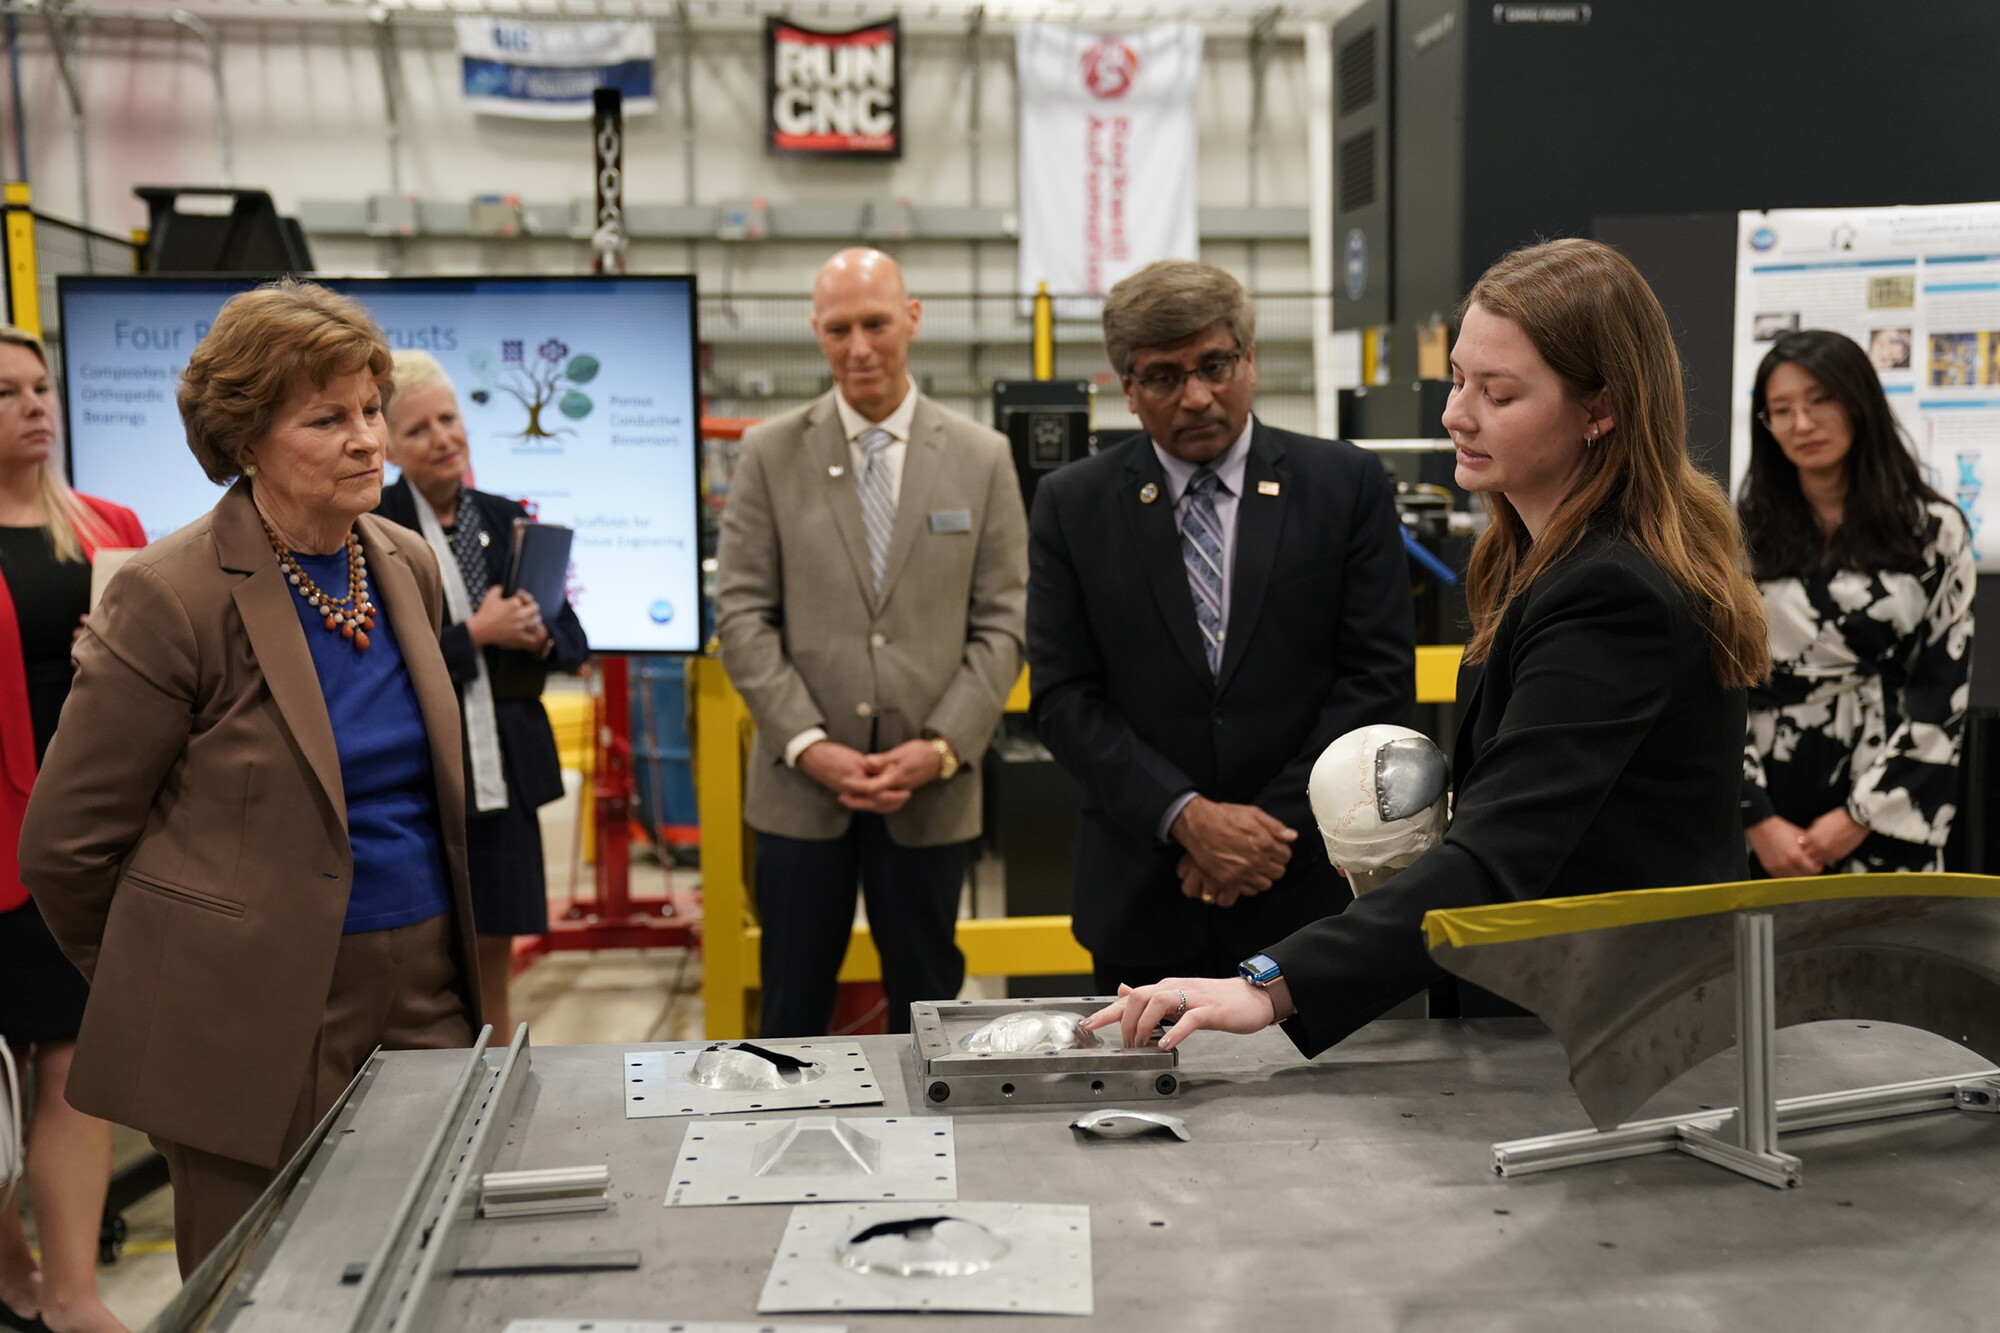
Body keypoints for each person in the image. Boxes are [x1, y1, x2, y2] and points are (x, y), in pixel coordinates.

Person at [1084, 239, 1770, 1055]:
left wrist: (1267, 984)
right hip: (1570, 1016)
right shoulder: (1538, 555)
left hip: (1607, 1034)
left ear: (1601, 408)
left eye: (1498, 392)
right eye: (1457, 378)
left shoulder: (1609, 591)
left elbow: (1502, 854)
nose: (1455, 414)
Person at [19, 280, 481, 1276]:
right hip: (256, 1018)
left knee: (430, 1267)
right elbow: (67, 846)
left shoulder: (404, 562)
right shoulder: (168, 594)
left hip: (427, 991)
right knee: (267, 1285)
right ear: (244, 439)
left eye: (368, 410)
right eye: (327, 419)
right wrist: (183, 987)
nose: (367, 439)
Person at [1027, 259, 1415, 991]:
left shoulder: (1345, 485)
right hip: (1145, 893)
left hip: (1306, 886)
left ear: (1251, 360)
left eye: (1216, 364)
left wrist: (1259, 833)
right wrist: (1185, 818)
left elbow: (1378, 681)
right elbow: (1064, 697)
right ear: (1129, 391)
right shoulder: (1071, 505)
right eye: (1166, 376)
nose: (1197, 396)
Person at [715, 247, 1028, 1037]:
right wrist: (809, 743)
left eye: (876, 323)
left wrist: (943, 745)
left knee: (929, 1004)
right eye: (839, 328)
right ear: (816, 333)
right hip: (799, 792)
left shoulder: (982, 458)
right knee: (790, 1006)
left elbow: (1005, 620)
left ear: (912, 318)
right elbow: (743, 616)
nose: (859, 347)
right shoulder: (768, 453)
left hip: (931, 791)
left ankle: (931, 1150)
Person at [376, 350, 590, 1036]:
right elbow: (379, 665)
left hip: (505, 772)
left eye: (449, 418)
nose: (441, 437)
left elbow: (574, 639)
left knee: (495, 943)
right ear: (387, 446)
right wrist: (477, 633)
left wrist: (537, 634)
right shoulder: (372, 527)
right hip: (424, 772)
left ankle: (494, 1080)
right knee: (426, 950)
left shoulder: (509, 518)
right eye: (417, 429)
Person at [0, 326, 142, 1333]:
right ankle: (13, 1272)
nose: (35, 404)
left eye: (42, 386)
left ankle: (70, 1293)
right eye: (8, 391)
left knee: (73, 1057)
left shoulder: (107, 523)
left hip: (82, 832)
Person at [1738, 330, 1974, 878]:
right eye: (1781, 409)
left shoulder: (1932, 531)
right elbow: (1716, 684)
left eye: (1821, 399)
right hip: (1767, 813)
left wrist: (1859, 816)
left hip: (1888, 805)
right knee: (1758, 963)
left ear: (1859, 400)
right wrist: (1756, 817)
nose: (1802, 423)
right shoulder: (1735, 535)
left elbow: (1943, 686)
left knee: (1888, 958)